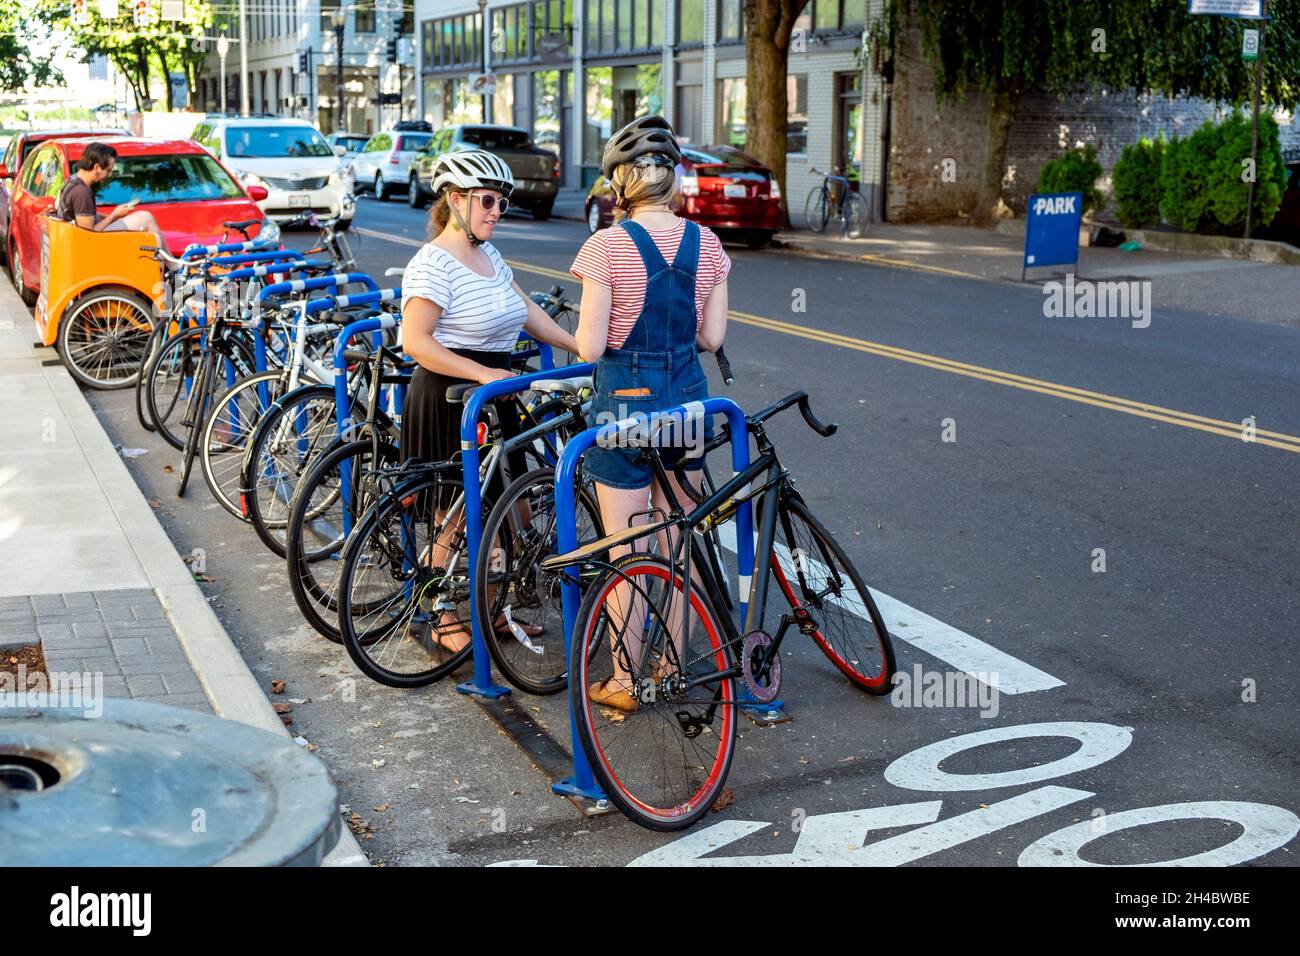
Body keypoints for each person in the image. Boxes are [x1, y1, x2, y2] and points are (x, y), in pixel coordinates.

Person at [570, 116, 730, 712]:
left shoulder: (606, 246)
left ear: (621, 185)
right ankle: (671, 664)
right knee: (679, 535)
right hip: (687, 405)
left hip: (623, 412)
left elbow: (588, 347)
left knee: (626, 546)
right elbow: (711, 337)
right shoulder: (706, 244)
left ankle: (625, 678)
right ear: (673, 180)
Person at [399, 148, 580, 653]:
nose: (497, 210)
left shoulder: (490, 255)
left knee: (511, 510)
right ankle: (441, 615)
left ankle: (492, 609)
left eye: (501, 201)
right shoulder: (434, 261)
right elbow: (416, 341)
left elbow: (524, 311)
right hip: (450, 396)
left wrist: (582, 344)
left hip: (494, 395)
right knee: (454, 518)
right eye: (487, 201)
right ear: (455, 200)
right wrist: (480, 372)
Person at [55, 142, 166, 247]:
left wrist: (111, 217)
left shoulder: (72, 181)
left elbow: (84, 217)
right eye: (108, 170)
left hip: (76, 242)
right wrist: (113, 216)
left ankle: (171, 264)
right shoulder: (81, 192)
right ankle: (173, 266)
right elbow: (88, 235)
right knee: (145, 217)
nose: (110, 174)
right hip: (89, 245)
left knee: (147, 224)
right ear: (97, 168)